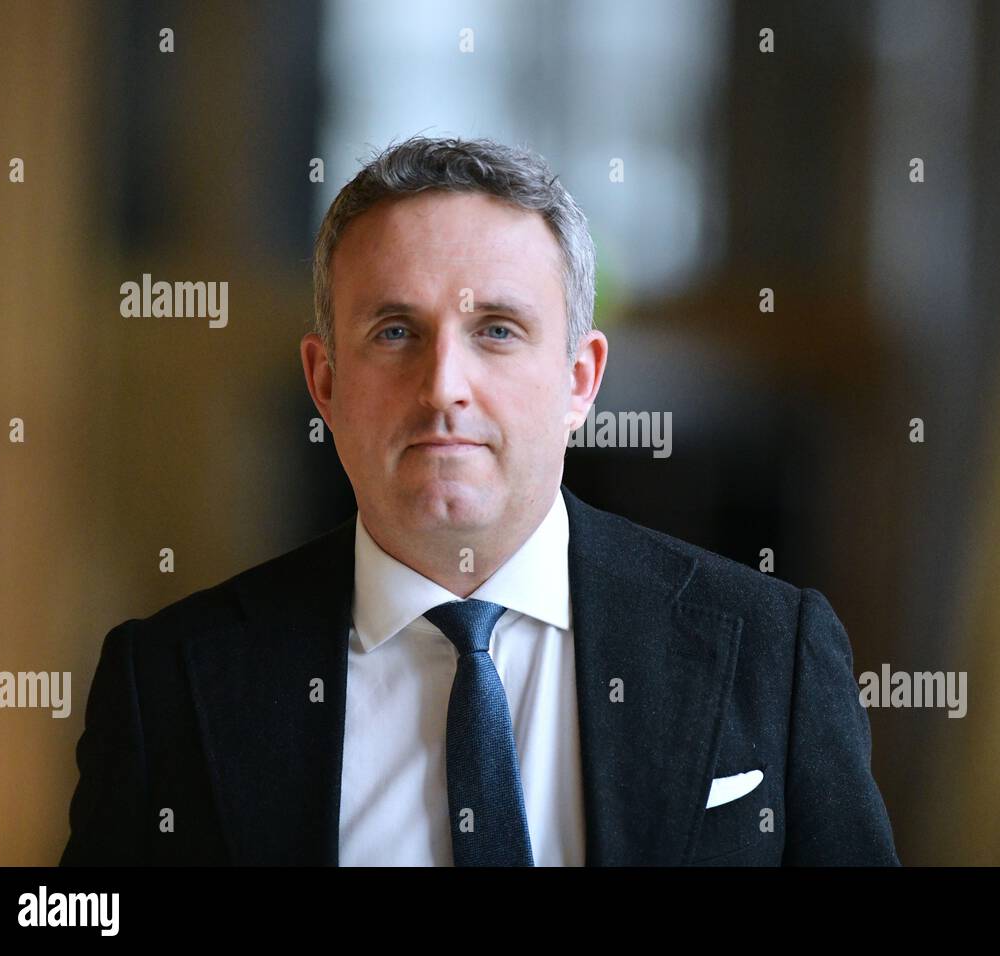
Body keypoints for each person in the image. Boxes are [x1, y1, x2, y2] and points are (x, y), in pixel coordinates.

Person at [59, 135, 899, 866]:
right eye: (395, 332)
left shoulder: (771, 653)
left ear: (580, 380)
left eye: (497, 330)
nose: (444, 388)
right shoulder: (167, 682)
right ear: (324, 379)